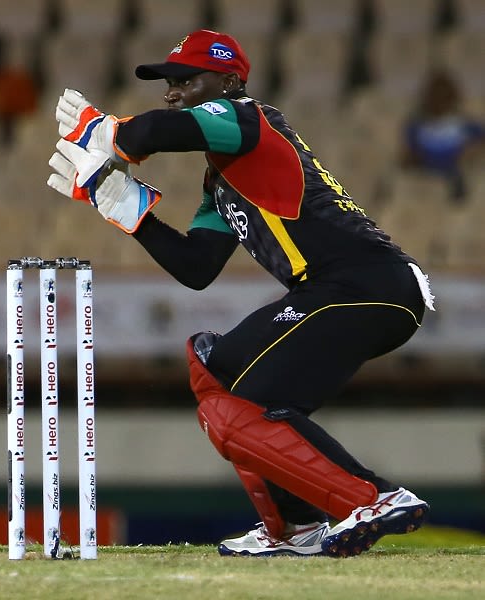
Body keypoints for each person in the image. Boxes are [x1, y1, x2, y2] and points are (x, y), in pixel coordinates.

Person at [46, 29, 434, 557]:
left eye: (186, 80)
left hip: (363, 283)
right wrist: (125, 209)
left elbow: (156, 132)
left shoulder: (248, 117)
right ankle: (295, 528)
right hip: (354, 289)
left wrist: (104, 131)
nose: (173, 91)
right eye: (168, 82)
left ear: (229, 82)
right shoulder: (225, 177)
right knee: (220, 377)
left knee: (233, 402)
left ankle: (373, 498)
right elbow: (197, 266)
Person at [400, 68, 485, 201]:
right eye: (435, 95)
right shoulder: (417, 127)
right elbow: (408, 158)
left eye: (444, 95)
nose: (439, 100)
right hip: (425, 179)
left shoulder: (465, 125)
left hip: (456, 178)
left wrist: (472, 152)